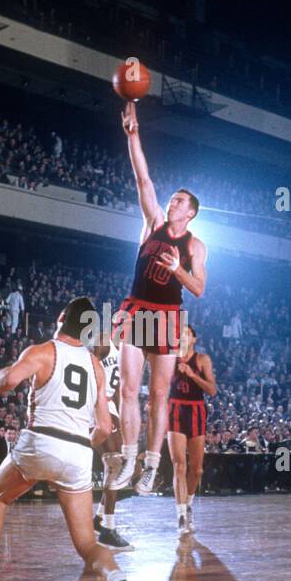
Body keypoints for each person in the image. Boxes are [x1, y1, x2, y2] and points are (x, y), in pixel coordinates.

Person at [0, 297, 177, 581]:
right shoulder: (94, 365)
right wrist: (80, 446)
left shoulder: (43, 351)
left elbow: (8, 381)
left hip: (41, 441)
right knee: (86, 542)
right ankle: (122, 580)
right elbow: (105, 426)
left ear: (61, 318)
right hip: (78, 452)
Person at [107, 100, 208, 496]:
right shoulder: (152, 223)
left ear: (191, 213)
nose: (171, 202)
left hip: (168, 314)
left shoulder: (196, 245)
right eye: (172, 199)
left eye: (180, 202)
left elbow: (198, 288)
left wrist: (176, 270)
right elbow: (142, 179)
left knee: (158, 396)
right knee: (128, 390)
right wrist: (133, 134)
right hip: (137, 307)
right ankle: (129, 458)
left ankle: (151, 465)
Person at [166, 323, 216, 534]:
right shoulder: (169, 358)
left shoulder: (202, 359)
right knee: (179, 465)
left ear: (194, 339)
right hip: (175, 407)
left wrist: (193, 375)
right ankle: (180, 515)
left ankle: (188, 506)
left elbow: (212, 390)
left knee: (197, 469)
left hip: (196, 409)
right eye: (180, 334)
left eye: (187, 333)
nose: (183, 336)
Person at [92, 319, 133, 549]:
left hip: (111, 408)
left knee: (118, 465)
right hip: (98, 406)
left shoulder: (126, 349)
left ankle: (100, 519)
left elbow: (119, 388)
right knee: (115, 465)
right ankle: (107, 528)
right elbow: (88, 366)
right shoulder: (103, 339)